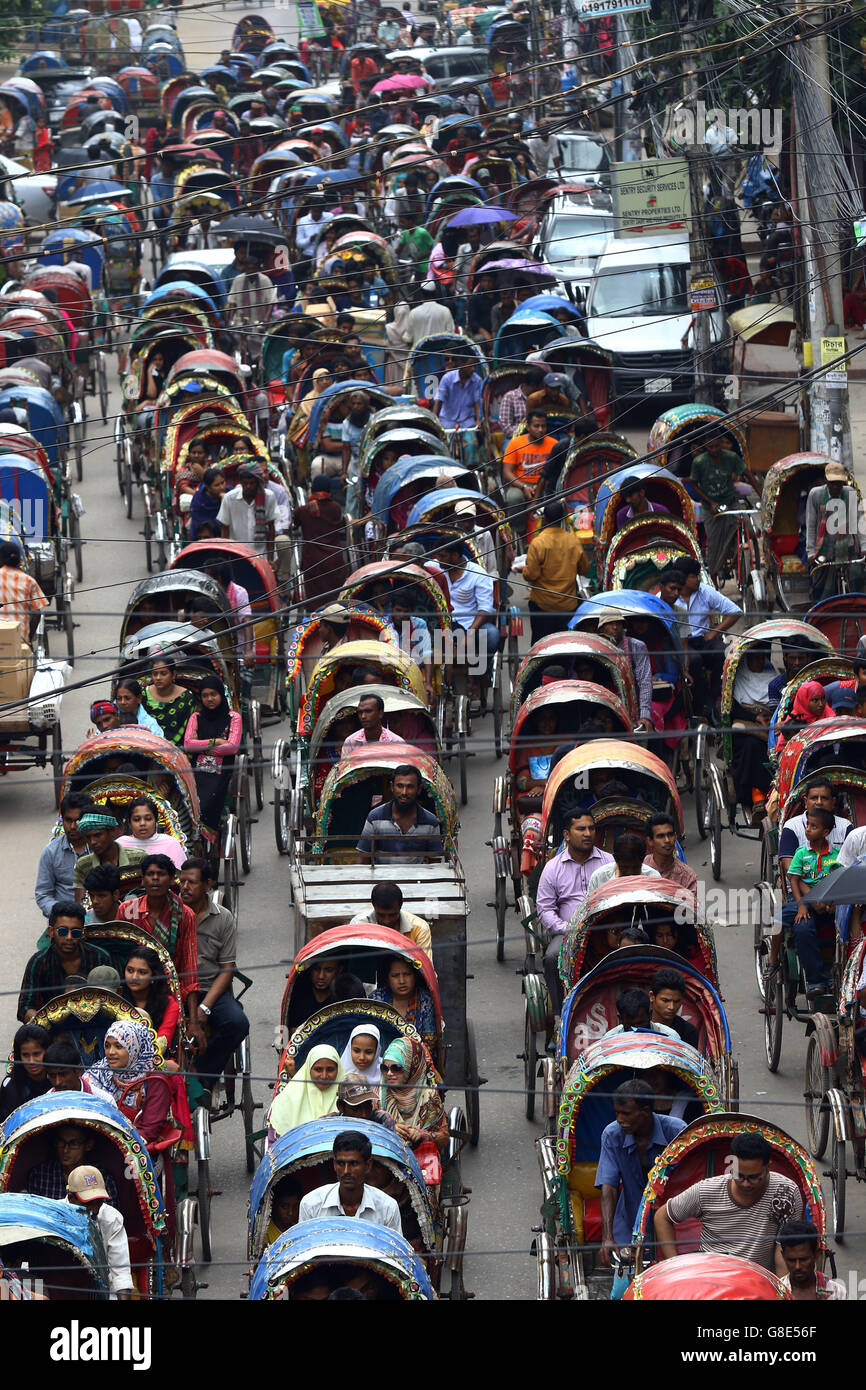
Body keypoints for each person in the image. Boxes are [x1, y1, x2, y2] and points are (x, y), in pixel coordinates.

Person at [653, 1131, 802, 1272]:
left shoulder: (786, 1193)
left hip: (759, 1278)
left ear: (768, 1168)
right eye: (739, 1176)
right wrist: (675, 1267)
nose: (745, 1184)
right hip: (713, 1276)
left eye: (754, 1177)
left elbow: (783, 1250)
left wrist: (782, 1286)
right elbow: (662, 1217)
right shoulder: (707, 1191)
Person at [596, 1080, 686, 1274]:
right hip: (629, 1221)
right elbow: (608, 1186)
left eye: (626, 1114)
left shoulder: (677, 1132)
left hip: (672, 1221)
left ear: (645, 1112)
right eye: (617, 1113)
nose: (620, 1119)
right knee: (625, 1284)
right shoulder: (612, 1134)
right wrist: (607, 1237)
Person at [178, 858, 249, 1086]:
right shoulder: (174, 913)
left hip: (211, 990)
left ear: (207, 885)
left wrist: (205, 1007)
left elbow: (227, 969)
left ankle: (201, 1077)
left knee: (238, 1023)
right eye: (182, 881)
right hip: (177, 990)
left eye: (192, 882)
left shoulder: (223, 918)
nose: (185, 887)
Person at [536, 810, 613, 1014]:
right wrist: (568, 929)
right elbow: (545, 909)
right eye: (581, 829)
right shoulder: (553, 868)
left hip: (604, 930)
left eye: (591, 828)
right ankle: (561, 1015)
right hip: (567, 933)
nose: (587, 833)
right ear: (567, 835)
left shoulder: (609, 863)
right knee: (552, 958)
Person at [117, 855, 201, 1030]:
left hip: (170, 991)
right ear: (143, 880)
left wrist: (193, 1021)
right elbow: (119, 956)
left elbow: (189, 969)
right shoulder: (127, 910)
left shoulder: (185, 915)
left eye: (161, 874)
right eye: (150, 874)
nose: (155, 878)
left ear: (171, 879)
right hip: (133, 989)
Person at [84, 1021, 175, 1157]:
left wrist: (118, 1147)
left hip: (138, 1151)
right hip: (98, 1143)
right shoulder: (98, 1072)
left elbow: (149, 1130)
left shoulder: (155, 1081)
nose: (110, 1052)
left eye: (118, 1046)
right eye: (107, 1046)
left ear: (135, 1048)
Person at [780, 806, 839, 999]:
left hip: (829, 903)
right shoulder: (801, 853)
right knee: (802, 927)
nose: (807, 830)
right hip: (804, 902)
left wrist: (833, 903)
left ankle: (835, 974)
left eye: (813, 827)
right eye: (807, 825)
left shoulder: (836, 855)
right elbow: (794, 879)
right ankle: (815, 981)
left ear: (825, 832)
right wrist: (801, 906)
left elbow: (838, 880)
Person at [18, 902, 111, 1021]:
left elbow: (113, 1000)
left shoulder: (100, 958)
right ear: (51, 931)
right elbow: (24, 1007)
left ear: (83, 933)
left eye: (76, 932)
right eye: (62, 931)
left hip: (95, 1022)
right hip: (51, 1024)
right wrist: (45, 1022)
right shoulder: (39, 961)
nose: (69, 937)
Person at [674, 555, 741, 721]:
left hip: (702, 640)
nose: (698, 579)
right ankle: (697, 706)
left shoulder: (705, 591)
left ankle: (717, 699)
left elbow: (735, 611)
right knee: (694, 660)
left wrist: (714, 632)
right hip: (680, 643)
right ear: (683, 578)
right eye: (694, 576)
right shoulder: (668, 595)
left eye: (699, 575)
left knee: (724, 653)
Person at [689, 431, 760, 577]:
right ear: (706, 446)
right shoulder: (699, 462)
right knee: (714, 543)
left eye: (717, 446)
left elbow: (748, 475)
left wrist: (762, 495)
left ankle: (742, 559)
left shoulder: (731, 457)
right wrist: (711, 502)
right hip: (711, 506)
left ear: (721, 444)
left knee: (749, 529)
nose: (714, 450)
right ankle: (713, 576)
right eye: (711, 447)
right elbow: (694, 485)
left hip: (730, 501)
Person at [298, 1130, 402, 1230]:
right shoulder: (311, 1204)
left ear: (368, 1165)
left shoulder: (387, 1207)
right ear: (334, 1165)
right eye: (341, 1163)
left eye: (354, 1163)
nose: (346, 1171)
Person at [182, 677, 243, 839]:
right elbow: (188, 745)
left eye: (213, 694)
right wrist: (215, 742)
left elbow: (232, 747)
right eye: (205, 695)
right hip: (197, 770)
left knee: (208, 801)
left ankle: (207, 835)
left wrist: (201, 746)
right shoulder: (196, 717)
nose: (209, 699)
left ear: (221, 694)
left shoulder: (233, 718)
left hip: (222, 771)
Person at [523, 500, 589, 642]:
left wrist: (524, 570)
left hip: (542, 606)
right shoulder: (573, 541)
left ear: (545, 519)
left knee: (539, 642)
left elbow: (531, 575)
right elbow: (584, 569)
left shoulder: (538, 542)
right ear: (563, 519)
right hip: (568, 606)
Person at [65, 1165, 133, 1299]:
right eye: (89, 1203)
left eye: (99, 1202)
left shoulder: (112, 1218)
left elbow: (120, 1271)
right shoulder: (53, 1216)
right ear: (71, 1198)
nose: (95, 1209)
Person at [357, 764, 443, 864]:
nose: (404, 792)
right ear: (392, 787)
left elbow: (435, 862)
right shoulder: (375, 817)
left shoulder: (430, 822)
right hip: (382, 874)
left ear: (419, 789)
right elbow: (363, 859)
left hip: (416, 874)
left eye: (410, 787)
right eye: (400, 786)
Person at [729, 645, 776, 822]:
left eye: (760, 658)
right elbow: (731, 709)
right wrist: (755, 717)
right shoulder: (739, 678)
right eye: (753, 658)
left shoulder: (772, 677)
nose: (757, 662)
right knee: (752, 745)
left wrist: (770, 718)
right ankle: (757, 796)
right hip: (745, 724)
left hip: (770, 723)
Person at [804, 461, 862, 600]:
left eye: (839, 483)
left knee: (858, 576)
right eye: (832, 483)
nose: (836, 486)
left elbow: (857, 522)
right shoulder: (815, 494)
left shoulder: (850, 493)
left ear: (843, 482)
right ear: (826, 481)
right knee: (821, 586)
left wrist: (864, 547)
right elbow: (811, 524)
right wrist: (810, 552)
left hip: (846, 547)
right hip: (823, 548)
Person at [379, 1037, 448, 1151]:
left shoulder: (429, 1097)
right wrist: (390, 1128)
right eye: (385, 1068)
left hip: (421, 1154)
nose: (389, 1073)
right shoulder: (378, 1093)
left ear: (412, 1067)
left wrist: (422, 1135)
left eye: (396, 1068)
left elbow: (443, 1137)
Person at [291, 477, 350, 608]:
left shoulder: (303, 510)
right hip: (334, 560)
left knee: (314, 603)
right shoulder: (336, 508)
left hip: (313, 562)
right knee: (334, 602)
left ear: (312, 490)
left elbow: (294, 524)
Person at [592, 608, 653, 733]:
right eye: (610, 624)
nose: (615, 627)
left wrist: (644, 715)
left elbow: (645, 681)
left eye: (618, 623)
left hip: (632, 706)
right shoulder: (595, 649)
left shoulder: (636, 646)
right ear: (602, 628)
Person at [35, 792, 92, 919]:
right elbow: (43, 894)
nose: (73, 826)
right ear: (62, 819)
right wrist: (61, 913)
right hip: (62, 920)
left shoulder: (99, 848)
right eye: (68, 820)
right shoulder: (51, 852)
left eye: (78, 821)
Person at [27, 1124, 118, 1203]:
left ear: (88, 1145)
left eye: (74, 1144)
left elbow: (109, 1214)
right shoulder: (40, 1174)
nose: (65, 1150)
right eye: (61, 1142)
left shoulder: (101, 1179)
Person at [267, 1044, 343, 1137]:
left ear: (338, 1070)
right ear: (308, 1069)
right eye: (318, 1069)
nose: (324, 1076)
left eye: (330, 1070)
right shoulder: (289, 1097)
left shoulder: (348, 1097)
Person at [502, 410, 558, 535]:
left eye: (543, 426)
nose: (540, 430)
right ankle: (520, 533)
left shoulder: (553, 444)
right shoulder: (516, 443)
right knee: (514, 498)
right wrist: (523, 487)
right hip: (520, 484)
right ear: (528, 426)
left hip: (546, 484)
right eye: (536, 426)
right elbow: (507, 472)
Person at [370, 956, 438, 1055]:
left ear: (415, 975)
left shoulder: (425, 1001)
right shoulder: (376, 999)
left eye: (406, 974)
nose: (402, 981)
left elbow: (429, 1043)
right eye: (395, 975)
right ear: (387, 978)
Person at [72, 812, 145, 902]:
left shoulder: (139, 858)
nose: (92, 842)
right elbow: (80, 903)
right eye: (88, 837)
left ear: (112, 831)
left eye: (97, 835)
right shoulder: (83, 865)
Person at [119, 945, 180, 1050]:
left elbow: (162, 1042)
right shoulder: (117, 997)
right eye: (130, 970)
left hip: (155, 1055)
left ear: (154, 976)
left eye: (142, 972)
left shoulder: (169, 1004)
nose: (134, 977)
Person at [350, 881, 433, 955]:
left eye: (392, 915)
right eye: (381, 915)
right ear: (373, 905)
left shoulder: (420, 928)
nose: (387, 921)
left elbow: (425, 966)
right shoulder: (358, 925)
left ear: (401, 906)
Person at [218, 463, 277, 560]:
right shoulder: (229, 498)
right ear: (240, 482)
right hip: (237, 555)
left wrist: (270, 559)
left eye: (252, 483)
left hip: (262, 555)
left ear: (257, 482)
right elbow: (225, 529)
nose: (248, 486)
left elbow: (271, 529)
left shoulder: (269, 497)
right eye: (245, 483)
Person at [776, 1219, 846, 1300]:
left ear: (816, 1254)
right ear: (783, 1256)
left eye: (803, 1260)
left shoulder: (837, 1293)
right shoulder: (774, 1293)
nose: (797, 1266)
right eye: (792, 1260)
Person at [115, 795, 186, 870]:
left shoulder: (171, 843)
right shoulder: (120, 844)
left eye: (148, 819)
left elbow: (181, 874)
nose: (142, 823)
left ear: (156, 820)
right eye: (136, 819)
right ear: (129, 823)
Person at [142, 655, 197, 748]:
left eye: (163, 673)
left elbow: (189, 729)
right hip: (145, 746)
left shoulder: (187, 698)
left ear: (173, 674)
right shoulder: (143, 694)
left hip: (177, 749)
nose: (158, 678)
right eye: (155, 674)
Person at [585, 832, 663, 897]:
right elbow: (589, 906)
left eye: (635, 868)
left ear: (642, 859)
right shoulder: (599, 877)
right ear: (615, 859)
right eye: (624, 868)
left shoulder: (653, 878)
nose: (630, 873)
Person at [0, 540, 48, 644]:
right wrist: (28, 639)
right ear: (19, 560)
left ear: (1, 559)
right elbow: (37, 613)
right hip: (20, 641)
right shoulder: (29, 581)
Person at [0, 1023, 49, 1120]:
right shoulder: (11, 1085)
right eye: (26, 1055)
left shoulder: (58, 1078)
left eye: (36, 1054)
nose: (31, 1061)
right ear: (19, 1056)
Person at [644, 813, 697, 898]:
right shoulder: (641, 867)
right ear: (650, 841)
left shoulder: (687, 876)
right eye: (661, 836)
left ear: (675, 836)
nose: (667, 840)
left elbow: (693, 904)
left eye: (670, 835)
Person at [648, 967, 700, 1048]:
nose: (671, 1007)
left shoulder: (689, 1032)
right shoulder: (639, 1023)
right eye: (665, 1000)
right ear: (652, 997)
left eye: (676, 1001)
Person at [44, 1041, 114, 1099]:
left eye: (63, 1074)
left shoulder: (104, 1100)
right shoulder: (46, 1102)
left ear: (78, 1070)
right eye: (52, 1075)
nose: (57, 1082)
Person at [774, 680, 827, 753]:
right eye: (815, 700)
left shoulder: (829, 716)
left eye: (823, 698)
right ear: (804, 700)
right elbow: (781, 750)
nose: (821, 704)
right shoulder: (792, 721)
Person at [433, 357, 483, 431]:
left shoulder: (477, 380)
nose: (473, 369)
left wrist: (478, 420)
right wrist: (434, 421)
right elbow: (439, 400)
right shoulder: (447, 378)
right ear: (461, 364)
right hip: (447, 421)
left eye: (474, 366)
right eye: (470, 366)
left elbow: (477, 403)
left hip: (467, 422)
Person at [607, 988, 679, 1039]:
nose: (636, 1030)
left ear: (650, 1015)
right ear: (621, 1019)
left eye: (640, 1023)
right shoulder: (610, 1040)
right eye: (630, 1025)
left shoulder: (669, 1037)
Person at [189, 467, 227, 542]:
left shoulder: (229, 494)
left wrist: (225, 500)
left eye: (222, 483)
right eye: (217, 485)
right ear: (208, 487)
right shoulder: (199, 499)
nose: (222, 487)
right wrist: (224, 503)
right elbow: (200, 526)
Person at [265, 1176, 303, 1244]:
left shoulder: (298, 1230)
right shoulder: (265, 1233)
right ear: (274, 1204)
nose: (290, 1213)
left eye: (295, 1206)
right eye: (284, 1206)